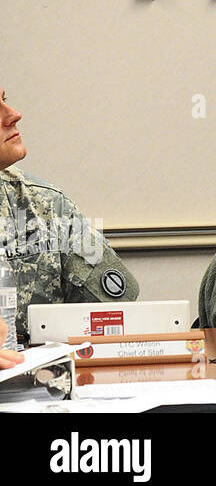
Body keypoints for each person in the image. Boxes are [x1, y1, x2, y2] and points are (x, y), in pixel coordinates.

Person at [0, 84, 139, 340]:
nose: (14, 114)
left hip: (42, 377)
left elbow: (116, 313)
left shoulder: (46, 206)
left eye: (4, 100)